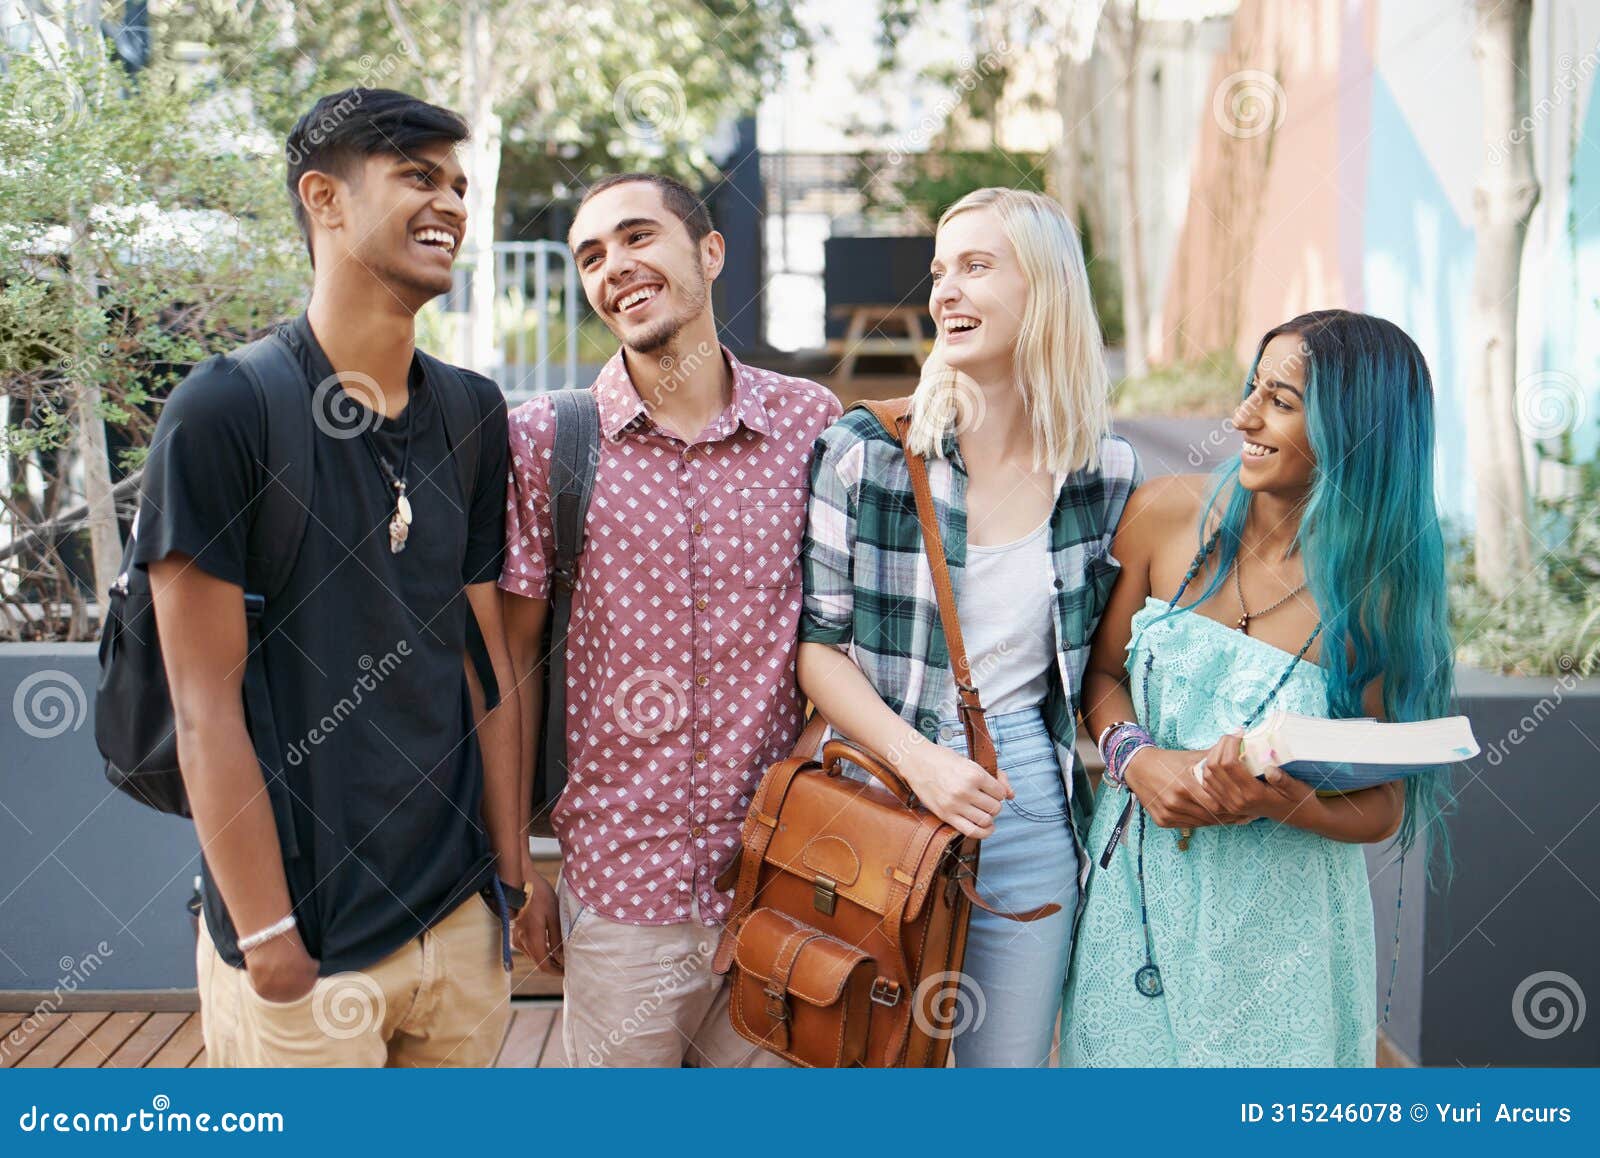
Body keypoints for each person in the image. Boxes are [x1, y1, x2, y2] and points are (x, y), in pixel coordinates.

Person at [139, 89, 542, 1066]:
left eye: (457, 182)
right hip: (305, 944)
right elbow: (202, 706)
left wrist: (510, 882)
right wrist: (270, 937)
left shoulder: (472, 413)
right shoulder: (224, 410)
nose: (449, 201)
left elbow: (483, 657)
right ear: (324, 198)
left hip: (456, 927)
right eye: (416, 175)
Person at [500, 172, 842, 1067]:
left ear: (711, 252)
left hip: (781, 889)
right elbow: (512, 665)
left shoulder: (809, 424)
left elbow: (840, 635)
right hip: (620, 894)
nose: (615, 266)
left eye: (638, 237)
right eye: (592, 256)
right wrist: (517, 866)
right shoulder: (547, 440)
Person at [797, 187, 1141, 1066]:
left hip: (1025, 789)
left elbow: (1110, 659)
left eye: (977, 267)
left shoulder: (1102, 472)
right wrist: (922, 761)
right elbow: (819, 651)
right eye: (940, 270)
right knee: (874, 1071)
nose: (945, 290)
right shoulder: (867, 453)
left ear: (1048, 289)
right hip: (880, 781)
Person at [1063, 309, 1455, 1067]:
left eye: (1280, 401)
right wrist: (1138, 760)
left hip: (1285, 936)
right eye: (1252, 389)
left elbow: (1386, 807)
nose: (1243, 416)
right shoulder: (1164, 515)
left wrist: (1282, 799)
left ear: (1356, 426)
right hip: (1136, 910)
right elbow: (1102, 676)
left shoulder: (1380, 595)